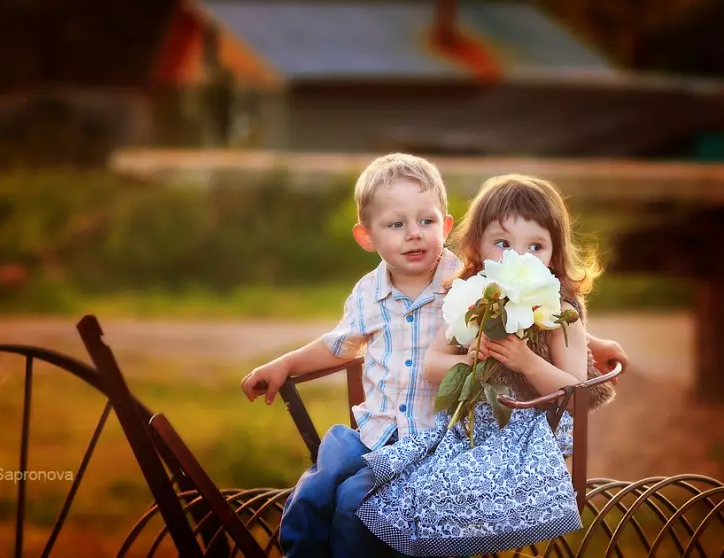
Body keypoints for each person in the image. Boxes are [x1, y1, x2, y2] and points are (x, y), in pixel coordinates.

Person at [240, 159, 627, 558]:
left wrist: (590, 343)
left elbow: (543, 317)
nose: (413, 235)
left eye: (425, 222)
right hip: (376, 428)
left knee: (355, 502)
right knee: (318, 489)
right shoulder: (408, 291)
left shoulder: (468, 280)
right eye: (396, 224)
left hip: (436, 438)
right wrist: (284, 365)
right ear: (366, 236)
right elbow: (339, 344)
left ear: (445, 227)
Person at [355, 173, 618, 557]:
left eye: (536, 246)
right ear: (477, 248)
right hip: (470, 429)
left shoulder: (559, 311)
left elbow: (574, 390)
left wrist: (526, 361)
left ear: (555, 253)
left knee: (434, 493)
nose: (519, 258)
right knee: (384, 493)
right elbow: (432, 364)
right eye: (502, 243)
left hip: (529, 435)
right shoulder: (471, 296)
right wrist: (468, 360)